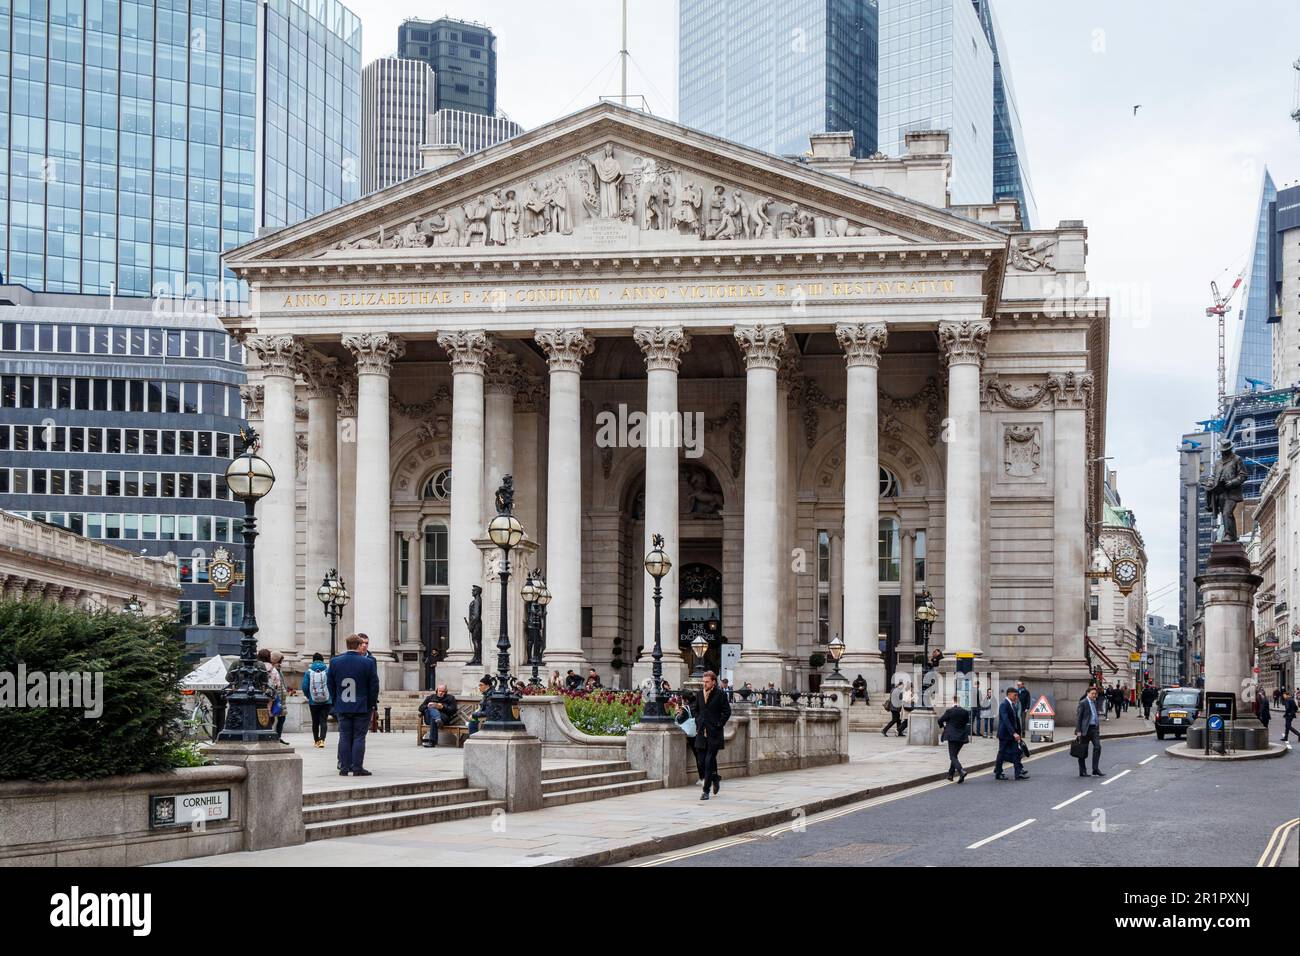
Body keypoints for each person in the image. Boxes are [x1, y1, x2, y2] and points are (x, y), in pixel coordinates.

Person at [327, 633, 380, 776]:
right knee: (359, 737)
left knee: (344, 736)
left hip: (342, 704)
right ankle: (357, 767)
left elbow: (330, 684)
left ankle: (344, 767)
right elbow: (374, 686)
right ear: (358, 645)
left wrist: (335, 700)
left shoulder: (335, 662)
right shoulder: (367, 662)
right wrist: (371, 704)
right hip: (362, 705)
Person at [693, 670, 731, 800]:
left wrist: (719, 724)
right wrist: (697, 720)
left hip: (714, 733)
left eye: (707, 682)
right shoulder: (699, 694)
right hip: (701, 733)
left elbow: (727, 712)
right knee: (701, 762)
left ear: (713, 682)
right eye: (703, 682)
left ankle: (706, 791)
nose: (704, 684)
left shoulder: (720, 694)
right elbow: (696, 710)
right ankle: (715, 777)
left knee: (709, 761)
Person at [994, 686, 1029, 780]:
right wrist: (1014, 733)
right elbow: (1006, 721)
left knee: (1016, 752)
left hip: (1012, 735)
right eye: (1015, 695)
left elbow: (1015, 720)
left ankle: (1018, 774)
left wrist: (1018, 733)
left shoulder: (1012, 705)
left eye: (1017, 695)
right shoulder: (1004, 705)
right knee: (1001, 753)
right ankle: (998, 772)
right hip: (1005, 734)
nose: (1016, 697)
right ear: (1009, 694)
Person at [300, 652, 332, 748]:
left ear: (313, 661)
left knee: (315, 721)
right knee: (323, 721)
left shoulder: (308, 672)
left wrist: (309, 696)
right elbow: (332, 684)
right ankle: (322, 740)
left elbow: (305, 686)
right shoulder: (328, 671)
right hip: (326, 701)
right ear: (323, 660)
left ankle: (316, 741)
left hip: (313, 701)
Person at [937, 694, 970, 783]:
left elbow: (940, 720)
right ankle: (950, 775)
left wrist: (943, 725)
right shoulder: (965, 712)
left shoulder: (950, 711)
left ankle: (961, 771)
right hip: (962, 737)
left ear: (953, 700)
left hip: (952, 736)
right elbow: (966, 722)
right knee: (954, 755)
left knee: (952, 756)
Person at [1075, 685, 1104, 777]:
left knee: (1098, 747)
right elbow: (1079, 718)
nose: (1094, 695)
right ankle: (1082, 771)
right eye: (1092, 693)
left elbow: (1094, 714)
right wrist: (1078, 731)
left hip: (1094, 729)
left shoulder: (1094, 702)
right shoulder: (1083, 703)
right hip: (1085, 730)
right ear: (1088, 693)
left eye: (1095, 694)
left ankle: (1095, 769)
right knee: (1083, 750)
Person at [418, 684, 458, 748]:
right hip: (430, 719)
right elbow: (420, 708)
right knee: (431, 708)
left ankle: (432, 742)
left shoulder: (450, 698)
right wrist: (427, 706)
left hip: (443, 719)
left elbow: (453, 710)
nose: (441, 693)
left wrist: (442, 707)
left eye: (443, 691)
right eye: (440, 691)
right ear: (437, 690)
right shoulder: (431, 697)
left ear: (446, 691)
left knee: (433, 718)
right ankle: (437, 719)